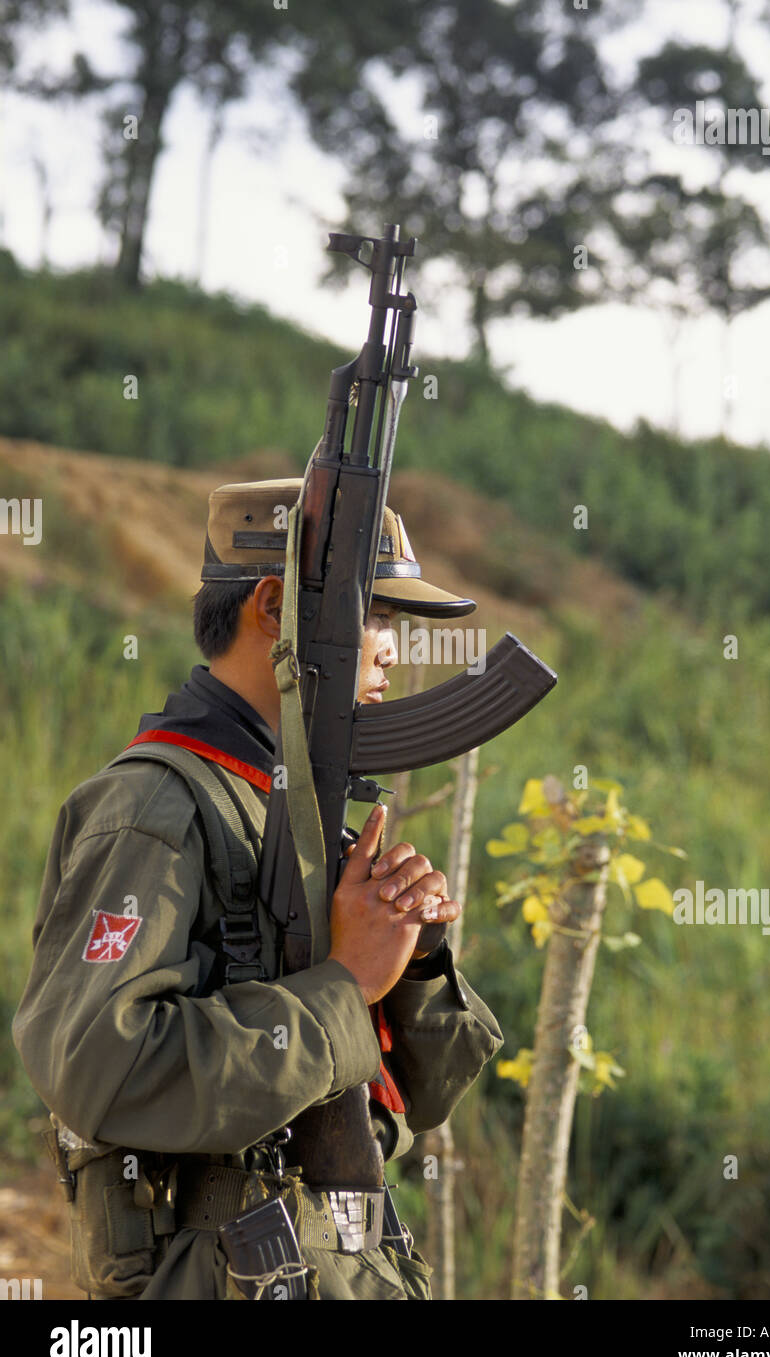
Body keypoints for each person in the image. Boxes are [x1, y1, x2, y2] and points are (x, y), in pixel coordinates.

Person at [12, 477, 503, 1301]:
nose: (392, 648)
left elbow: (415, 1106)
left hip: (339, 1269)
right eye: (374, 614)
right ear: (272, 609)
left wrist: (408, 959)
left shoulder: (295, 811)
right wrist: (345, 986)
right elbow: (100, 1066)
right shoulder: (153, 807)